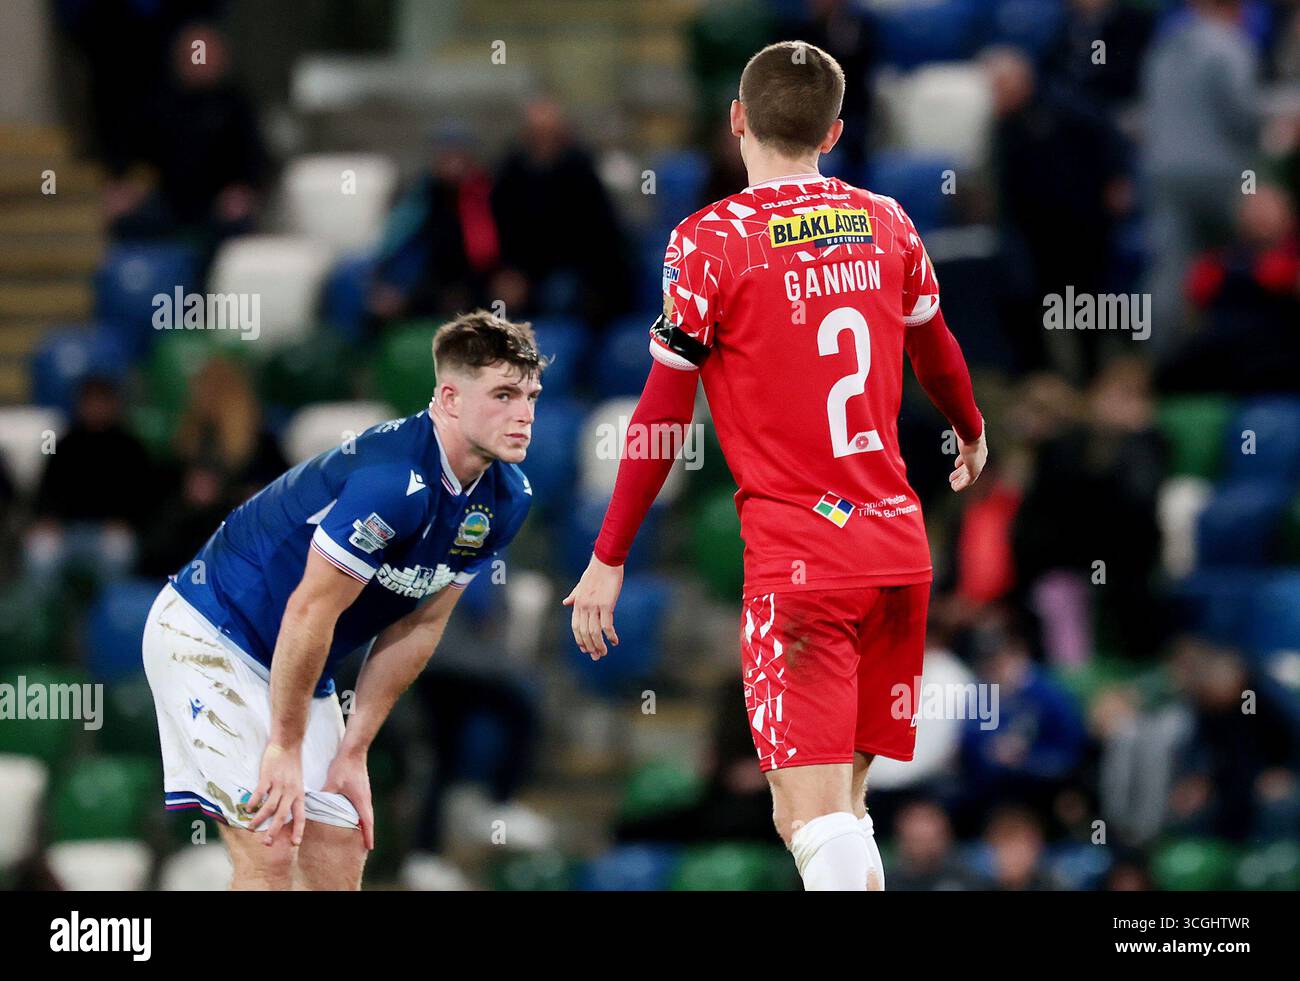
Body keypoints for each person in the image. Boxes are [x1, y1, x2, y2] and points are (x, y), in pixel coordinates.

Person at [563, 42, 987, 891]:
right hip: (896, 551)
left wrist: (609, 554)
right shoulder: (888, 220)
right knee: (843, 811)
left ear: (736, 122)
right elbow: (935, 346)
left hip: (803, 562)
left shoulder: (710, 242)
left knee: (809, 818)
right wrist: (970, 430)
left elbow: (659, 413)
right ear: (833, 130)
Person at [141, 311, 541, 889]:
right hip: (212, 629)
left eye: (530, 395)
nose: (523, 413)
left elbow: (421, 625)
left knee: (338, 845)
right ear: (450, 399)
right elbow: (312, 609)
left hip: (299, 657)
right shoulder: (393, 479)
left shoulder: (507, 499)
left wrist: (354, 748)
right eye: (503, 394)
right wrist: (284, 743)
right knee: (271, 842)